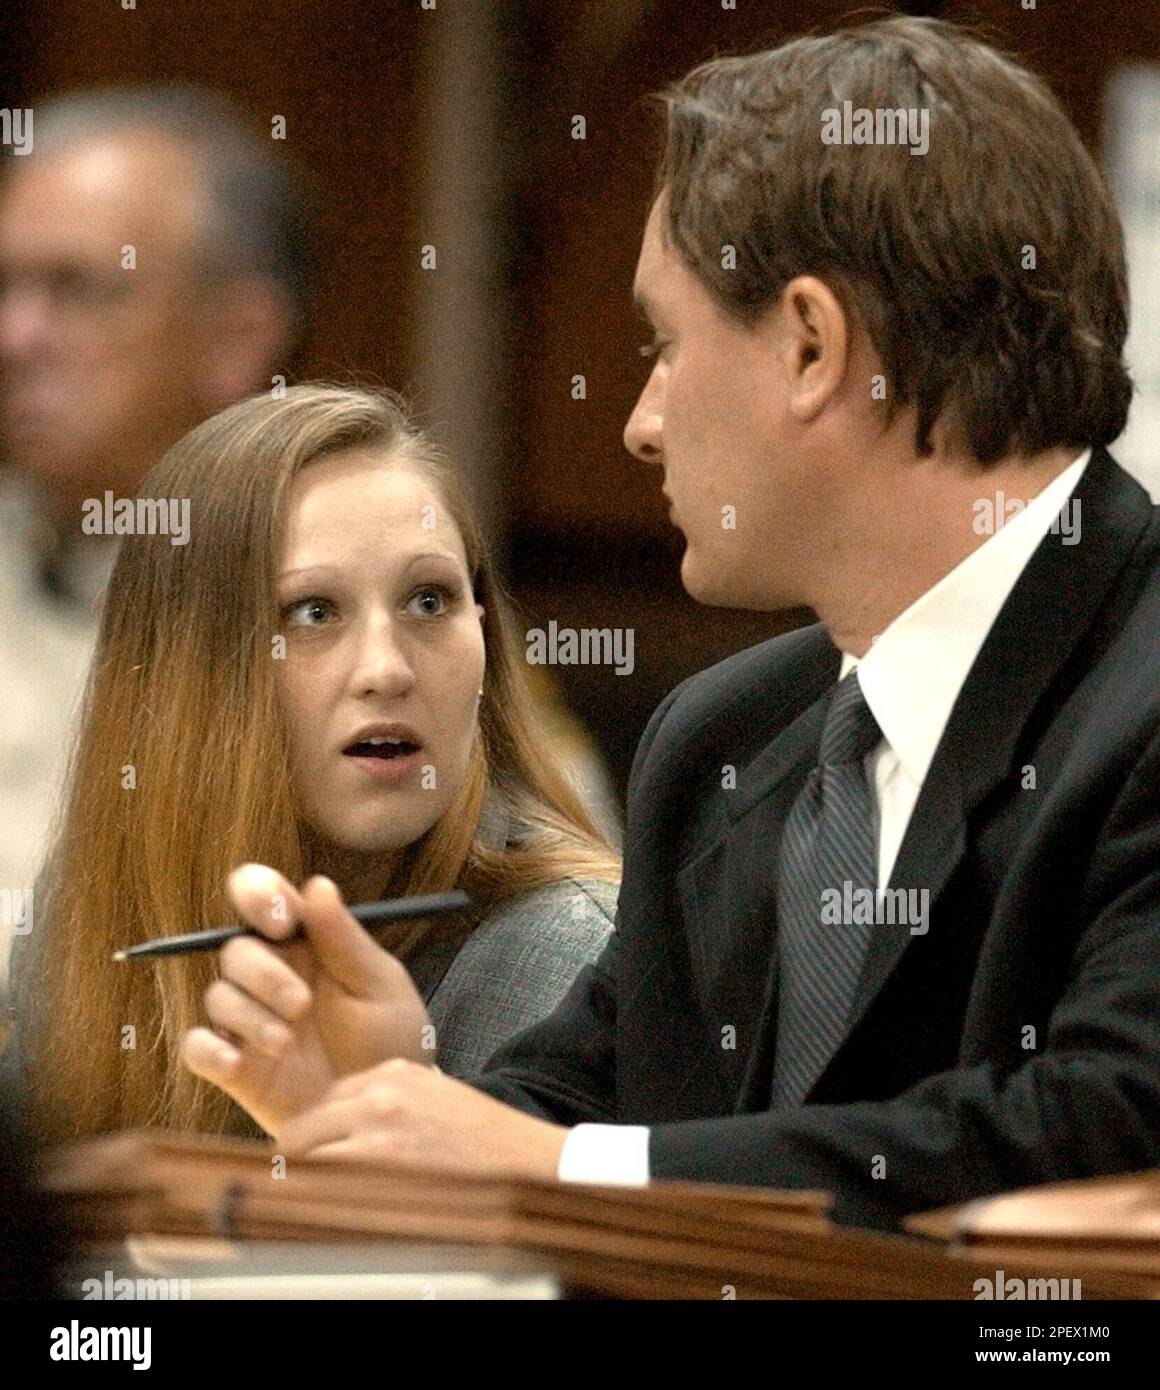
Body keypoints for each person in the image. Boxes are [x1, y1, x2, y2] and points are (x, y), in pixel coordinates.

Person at [183, 15, 1159, 1229]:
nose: (641, 421)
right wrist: (399, 1105)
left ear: (809, 347)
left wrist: (542, 1165)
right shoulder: (724, 737)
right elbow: (584, 1106)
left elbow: (1101, 1120)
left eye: (662, 344)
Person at [5, 384, 618, 1145]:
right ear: (182, 672)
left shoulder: (566, 949)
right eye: (314, 614)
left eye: (429, 602)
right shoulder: (84, 908)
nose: (386, 669)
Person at [0, 84, 312, 996]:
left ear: (236, 338)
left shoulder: (362, 609)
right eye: (6, 286)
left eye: (78, 289)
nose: (16, 336)